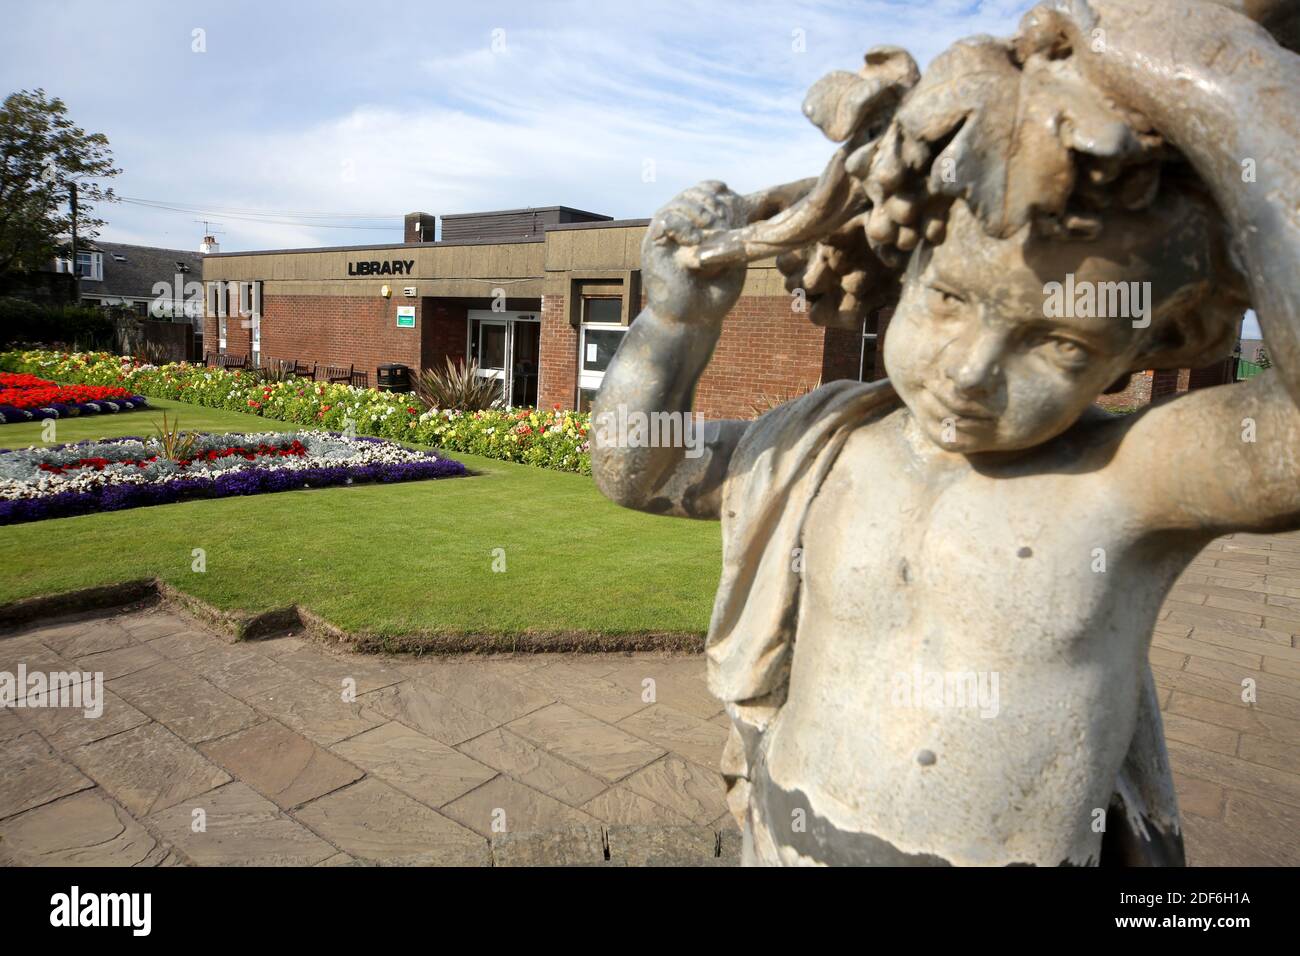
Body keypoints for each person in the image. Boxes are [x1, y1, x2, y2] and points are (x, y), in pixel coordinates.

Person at [590, 0, 1300, 865]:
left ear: (1159, 340)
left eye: (1059, 343)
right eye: (950, 301)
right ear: (902, 263)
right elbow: (638, 466)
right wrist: (671, 324)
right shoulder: (831, 443)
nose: (969, 372)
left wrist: (1222, 78)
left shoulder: (1129, 482)